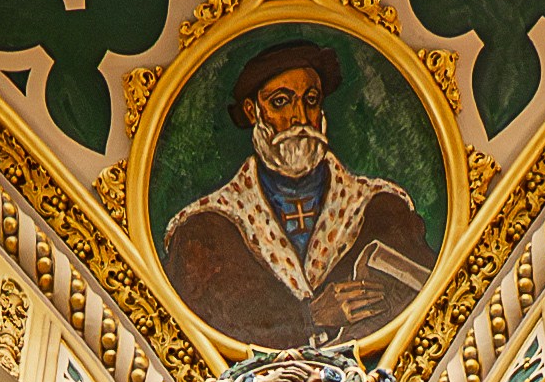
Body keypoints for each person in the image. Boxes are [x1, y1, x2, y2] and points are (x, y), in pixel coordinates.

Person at [159, 38, 435, 350]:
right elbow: (202, 321)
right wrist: (311, 316)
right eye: (281, 102)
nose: (299, 118)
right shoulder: (206, 228)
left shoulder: (382, 208)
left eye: (311, 100)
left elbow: (426, 301)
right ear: (253, 112)